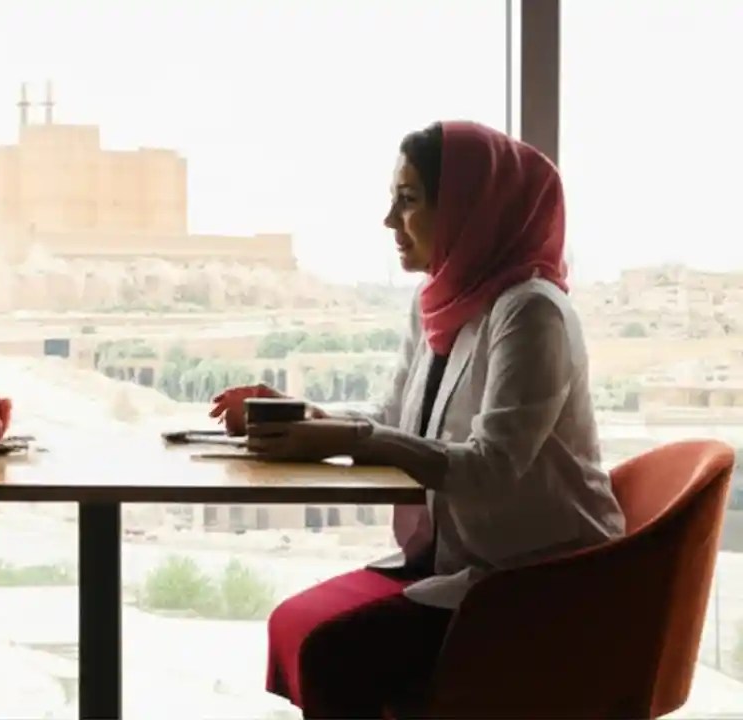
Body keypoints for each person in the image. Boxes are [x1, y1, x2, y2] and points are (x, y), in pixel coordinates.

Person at [211, 121, 626, 718]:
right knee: (293, 625)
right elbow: (391, 420)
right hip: (458, 561)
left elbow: (492, 468)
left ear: (469, 210)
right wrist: (296, 414)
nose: (388, 221)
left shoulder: (531, 312)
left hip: (538, 580)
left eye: (407, 201)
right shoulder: (440, 300)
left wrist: (348, 436)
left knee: (331, 652)